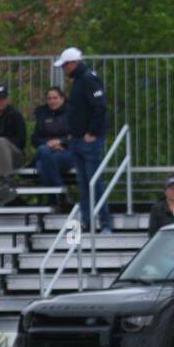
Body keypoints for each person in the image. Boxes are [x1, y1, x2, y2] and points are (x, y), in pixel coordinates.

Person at [53, 46, 113, 233]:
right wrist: (73, 133)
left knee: (94, 182)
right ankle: (87, 220)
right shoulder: (80, 80)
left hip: (89, 141)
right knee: (85, 184)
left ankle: (105, 222)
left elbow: (100, 107)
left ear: (72, 64)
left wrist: (92, 132)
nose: (63, 70)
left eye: (65, 66)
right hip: (79, 140)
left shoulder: (88, 79)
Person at [31, 85, 75, 212]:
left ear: (62, 99)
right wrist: (49, 143)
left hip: (66, 153)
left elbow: (76, 136)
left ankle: (53, 198)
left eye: (55, 98)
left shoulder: (71, 114)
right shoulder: (43, 115)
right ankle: (61, 192)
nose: (52, 101)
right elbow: (35, 139)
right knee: (44, 151)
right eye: (49, 98)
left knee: (41, 163)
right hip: (48, 150)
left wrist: (61, 142)